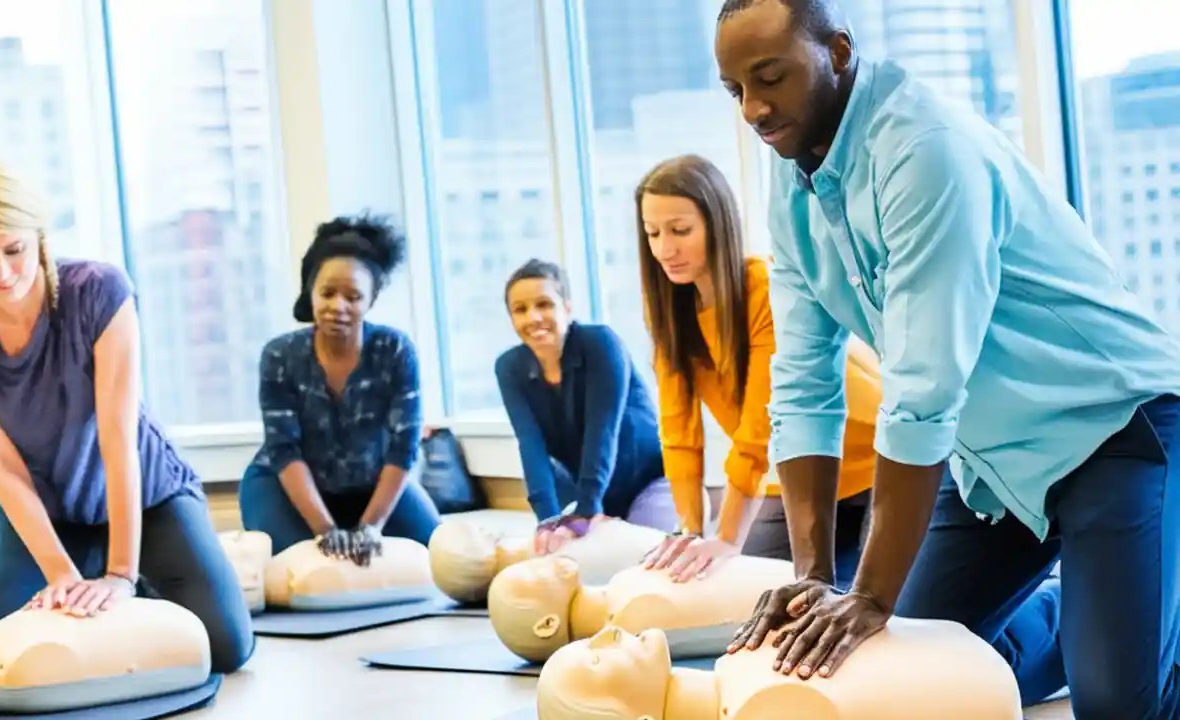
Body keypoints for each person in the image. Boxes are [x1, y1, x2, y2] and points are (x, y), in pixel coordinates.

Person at [714, 2, 1180, 718]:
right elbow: (804, 384)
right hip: (992, 465)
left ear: (838, 52)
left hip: (1116, 429)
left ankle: (1133, 629)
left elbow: (922, 392)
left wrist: (870, 594)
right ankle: (1095, 615)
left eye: (770, 78)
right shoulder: (793, 182)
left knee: (1121, 705)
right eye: (736, 90)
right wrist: (816, 580)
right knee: (914, 674)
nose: (753, 108)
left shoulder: (924, 150)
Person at [0, 159, 253, 672]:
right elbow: (0, 463)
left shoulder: (99, 290)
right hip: (47, 507)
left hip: (148, 497)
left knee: (227, 646)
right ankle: (88, 568)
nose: (1, 273)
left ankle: (134, 577)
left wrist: (121, 574)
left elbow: (116, 438)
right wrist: (61, 574)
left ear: (38, 234)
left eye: (14, 250)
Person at [634, 154, 882, 584]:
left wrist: (727, 537)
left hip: (879, 458)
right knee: (753, 585)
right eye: (652, 233)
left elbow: (760, 426)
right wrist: (690, 531)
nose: (664, 250)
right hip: (806, 476)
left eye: (680, 230)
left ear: (717, 224)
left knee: (882, 598)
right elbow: (679, 435)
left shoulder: (764, 288)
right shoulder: (669, 310)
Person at [239, 214, 441, 563]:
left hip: (371, 486)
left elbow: (404, 448)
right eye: (327, 293)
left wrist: (371, 526)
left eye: (353, 296)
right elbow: (284, 450)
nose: (338, 306)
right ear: (311, 293)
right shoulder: (279, 355)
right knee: (306, 567)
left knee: (440, 556)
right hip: (283, 485)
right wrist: (326, 530)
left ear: (371, 300)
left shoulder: (395, 350)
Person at [495, 259, 677, 554]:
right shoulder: (509, 367)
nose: (533, 317)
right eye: (520, 309)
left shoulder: (601, 343)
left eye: (544, 304)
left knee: (638, 561)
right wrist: (548, 521)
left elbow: (601, 432)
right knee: (565, 557)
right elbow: (530, 446)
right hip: (586, 489)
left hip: (650, 482)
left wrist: (586, 512)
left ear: (567, 307)